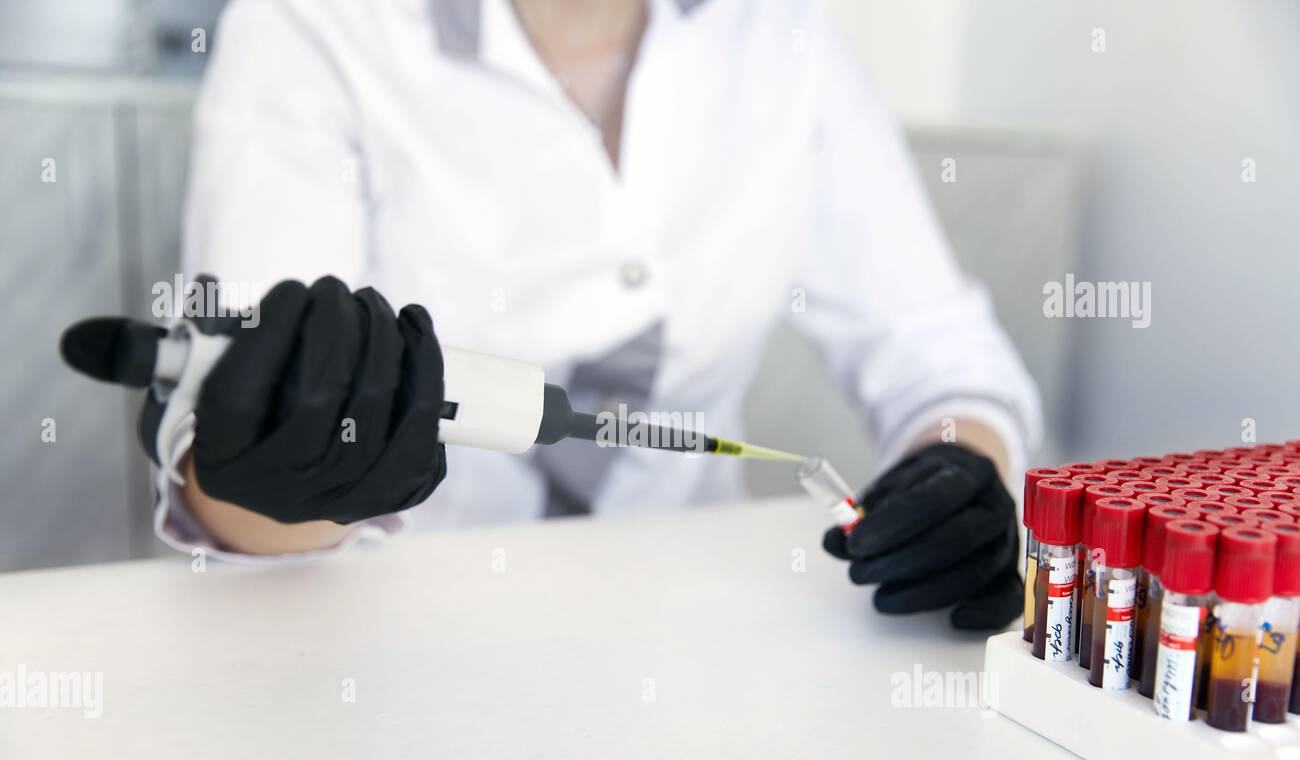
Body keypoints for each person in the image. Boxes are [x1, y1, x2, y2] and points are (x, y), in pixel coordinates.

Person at [160, 0, 1042, 630]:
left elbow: (935, 351)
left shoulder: (779, 33)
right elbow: (244, 457)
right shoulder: (310, 26)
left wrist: (959, 472)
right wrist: (271, 472)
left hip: (701, 639)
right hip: (376, 642)